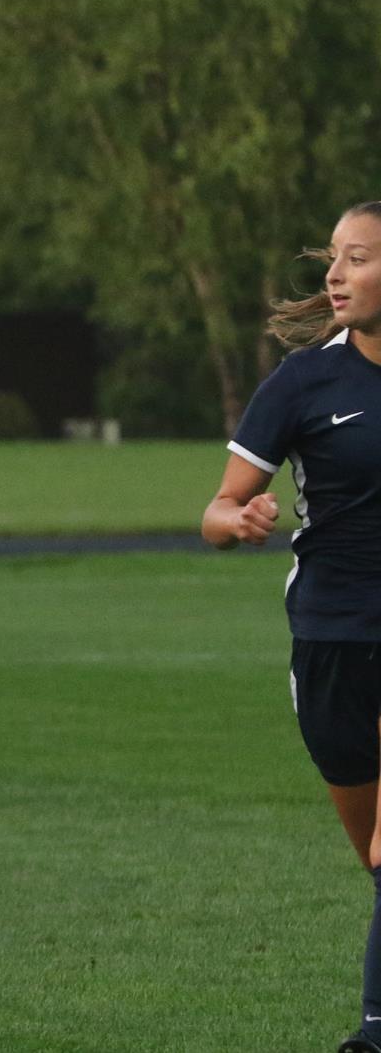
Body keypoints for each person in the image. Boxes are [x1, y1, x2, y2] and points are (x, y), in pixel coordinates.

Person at [203, 201, 381, 1053]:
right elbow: (216, 505)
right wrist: (234, 521)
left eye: (357, 259)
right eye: (333, 260)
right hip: (330, 637)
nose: (334, 277)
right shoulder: (306, 381)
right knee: (375, 859)